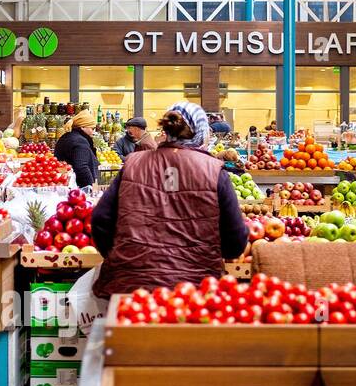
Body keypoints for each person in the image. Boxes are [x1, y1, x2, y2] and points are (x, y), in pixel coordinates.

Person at [91, 101, 247, 299]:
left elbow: (101, 219)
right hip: (195, 290)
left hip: (132, 288)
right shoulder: (213, 170)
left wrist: (122, 255)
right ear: (200, 132)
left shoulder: (133, 163)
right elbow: (235, 241)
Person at [53, 110, 99, 189]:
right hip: (77, 188)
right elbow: (82, 167)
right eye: (92, 128)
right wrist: (90, 188)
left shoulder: (65, 137)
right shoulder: (80, 142)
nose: (93, 132)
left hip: (64, 184)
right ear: (83, 127)